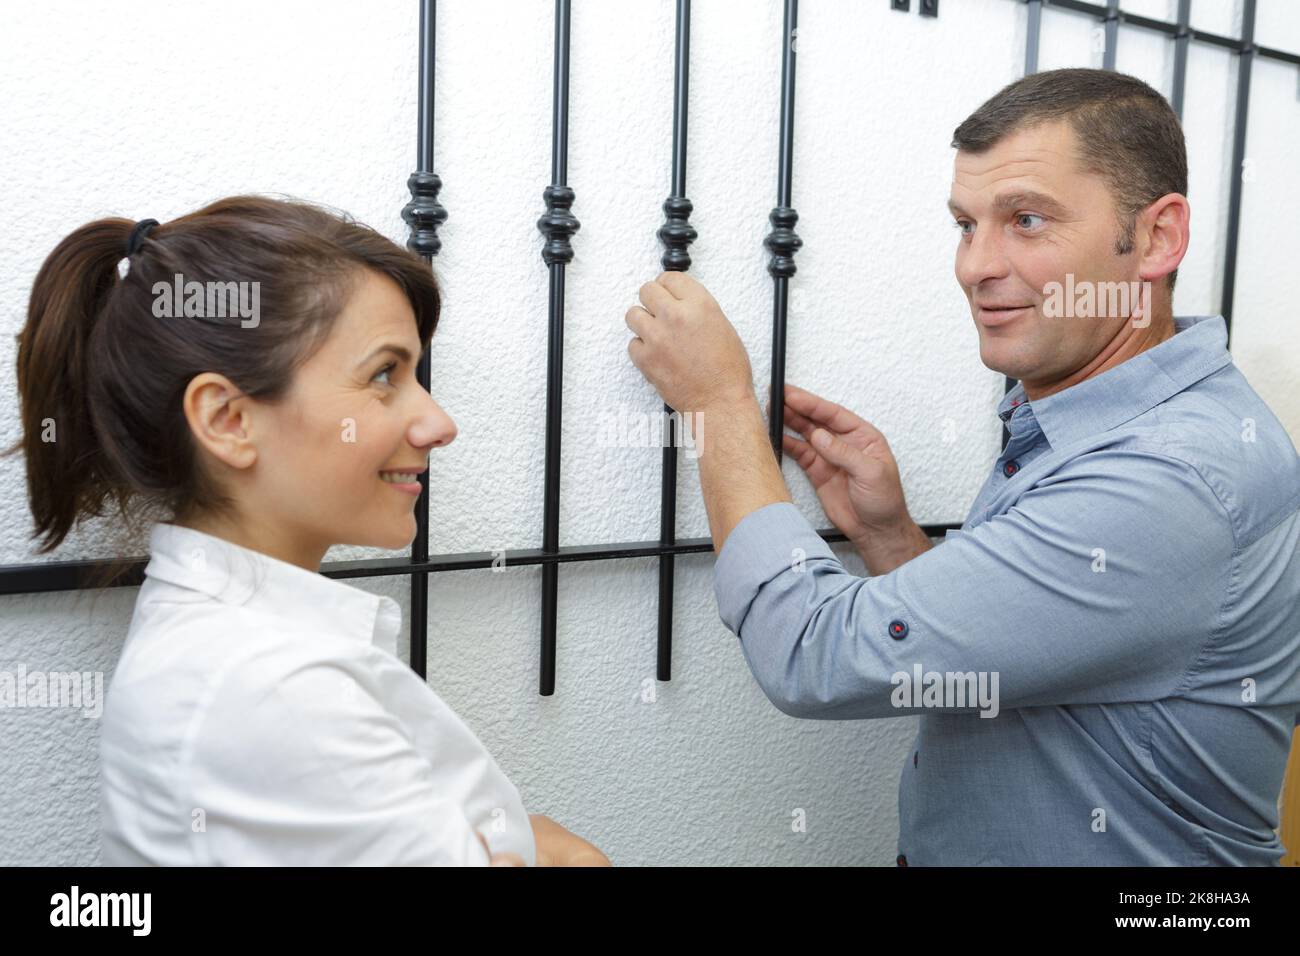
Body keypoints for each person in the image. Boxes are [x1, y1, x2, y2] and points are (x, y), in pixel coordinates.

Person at [624, 68, 1300, 865]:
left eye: (1025, 220)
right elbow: (1039, 658)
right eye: (965, 225)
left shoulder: (1166, 479)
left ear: (1156, 239)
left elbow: (812, 655)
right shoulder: (1119, 411)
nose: (975, 266)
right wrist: (893, 541)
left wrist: (720, 406)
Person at [6, 195, 609, 866]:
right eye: (384, 374)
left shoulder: (252, 654)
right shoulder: (276, 688)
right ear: (228, 421)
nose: (438, 423)